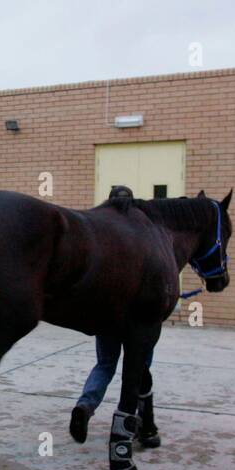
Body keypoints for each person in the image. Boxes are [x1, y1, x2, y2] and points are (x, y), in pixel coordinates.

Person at [69, 185, 160, 449]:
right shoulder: (145, 235)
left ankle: (85, 406)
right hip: (140, 321)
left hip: (108, 315)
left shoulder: (103, 236)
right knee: (139, 371)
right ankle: (141, 425)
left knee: (105, 365)